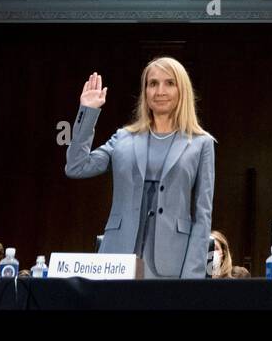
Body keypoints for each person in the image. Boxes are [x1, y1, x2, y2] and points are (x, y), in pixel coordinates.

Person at [65, 58, 215, 278]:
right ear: (145, 91)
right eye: (152, 83)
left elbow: (203, 215)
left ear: (182, 90)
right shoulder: (124, 138)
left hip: (173, 263)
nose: (160, 91)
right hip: (117, 259)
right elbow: (76, 166)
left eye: (169, 83)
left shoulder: (202, 143)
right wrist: (87, 113)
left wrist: (192, 275)